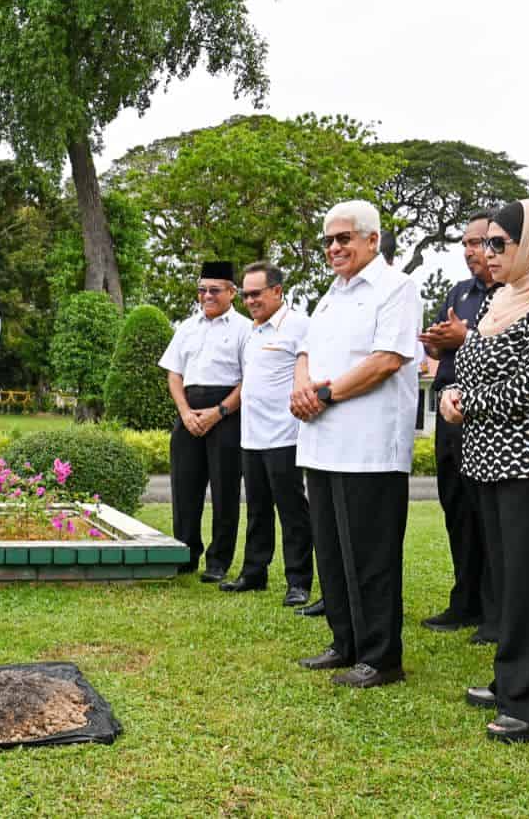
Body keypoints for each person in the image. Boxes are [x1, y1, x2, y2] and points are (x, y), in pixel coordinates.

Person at [440, 200, 529, 743]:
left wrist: (469, 403)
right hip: (488, 460)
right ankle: (509, 680)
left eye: (500, 243)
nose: (488, 253)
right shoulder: (502, 297)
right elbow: (471, 365)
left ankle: (526, 702)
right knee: (506, 580)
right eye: (486, 243)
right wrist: (452, 392)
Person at [291, 200, 421, 690]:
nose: (334, 247)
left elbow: (387, 359)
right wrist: (302, 387)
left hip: (369, 447)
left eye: (343, 238)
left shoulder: (396, 287)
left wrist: (323, 395)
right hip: (322, 442)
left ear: (372, 239)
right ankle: (344, 641)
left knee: (371, 556)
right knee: (330, 551)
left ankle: (381, 657)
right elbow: (305, 350)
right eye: (328, 240)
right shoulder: (331, 293)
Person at [419, 210, 500, 641]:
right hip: (448, 413)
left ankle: (495, 611)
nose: (470, 251)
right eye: (465, 243)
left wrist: (463, 338)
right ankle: (464, 601)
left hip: (485, 414)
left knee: (489, 515)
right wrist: (437, 343)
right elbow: (442, 345)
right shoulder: (459, 292)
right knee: (457, 509)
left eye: (479, 242)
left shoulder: (512, 293)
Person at [224, 261, 313, 607]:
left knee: (291, 512)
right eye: (246, 295)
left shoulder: (299, 325)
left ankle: (298, 581)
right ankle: (254, 572)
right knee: (257, 509)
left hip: (285, 436)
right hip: (252, 436)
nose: (250, 301)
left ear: (277, 291)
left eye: (256, 294)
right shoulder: (251, 332)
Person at [160, 261, 252, 581]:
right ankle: (185, 554)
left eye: (214, 290)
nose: (207, 296)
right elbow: (174, 374)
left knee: (225, 490)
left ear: (232, 292)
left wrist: (219, 412)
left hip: (226, 414)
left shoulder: (245, 329)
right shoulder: (186, 327)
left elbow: (249, 380)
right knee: (184, 487)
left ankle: (218, 561)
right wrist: (185, 412)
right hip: (188, 412)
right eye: (202, 290)